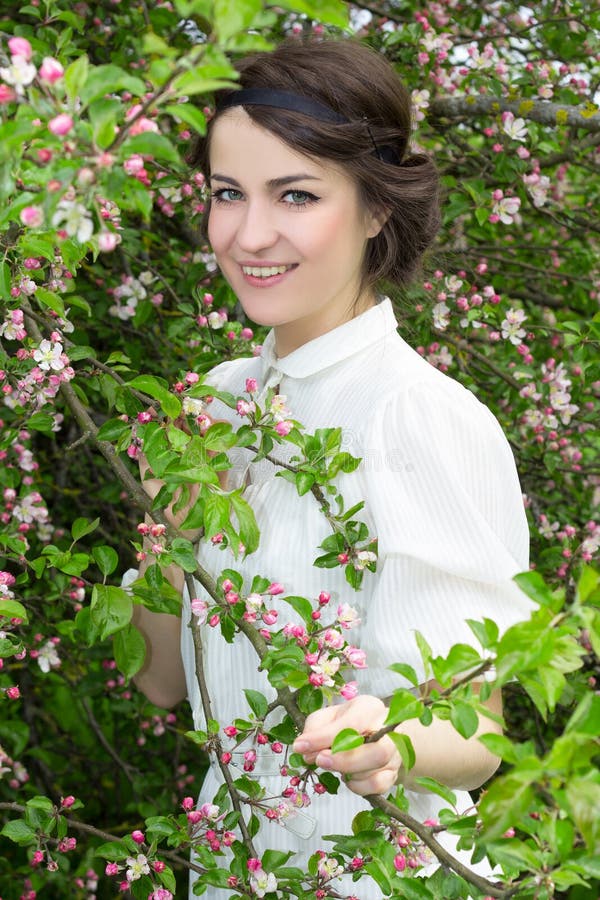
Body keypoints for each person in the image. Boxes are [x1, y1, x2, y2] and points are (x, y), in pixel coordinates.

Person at [126, 38, 531, 898]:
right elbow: (161, 683)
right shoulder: (214, 404)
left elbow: (480, 738)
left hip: (373, 869)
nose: (248, 234)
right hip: (235, 860)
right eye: (228, 194)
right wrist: (170, 527)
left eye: (296, 195)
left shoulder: (421, 420)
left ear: (377, 209)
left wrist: (388, 741)